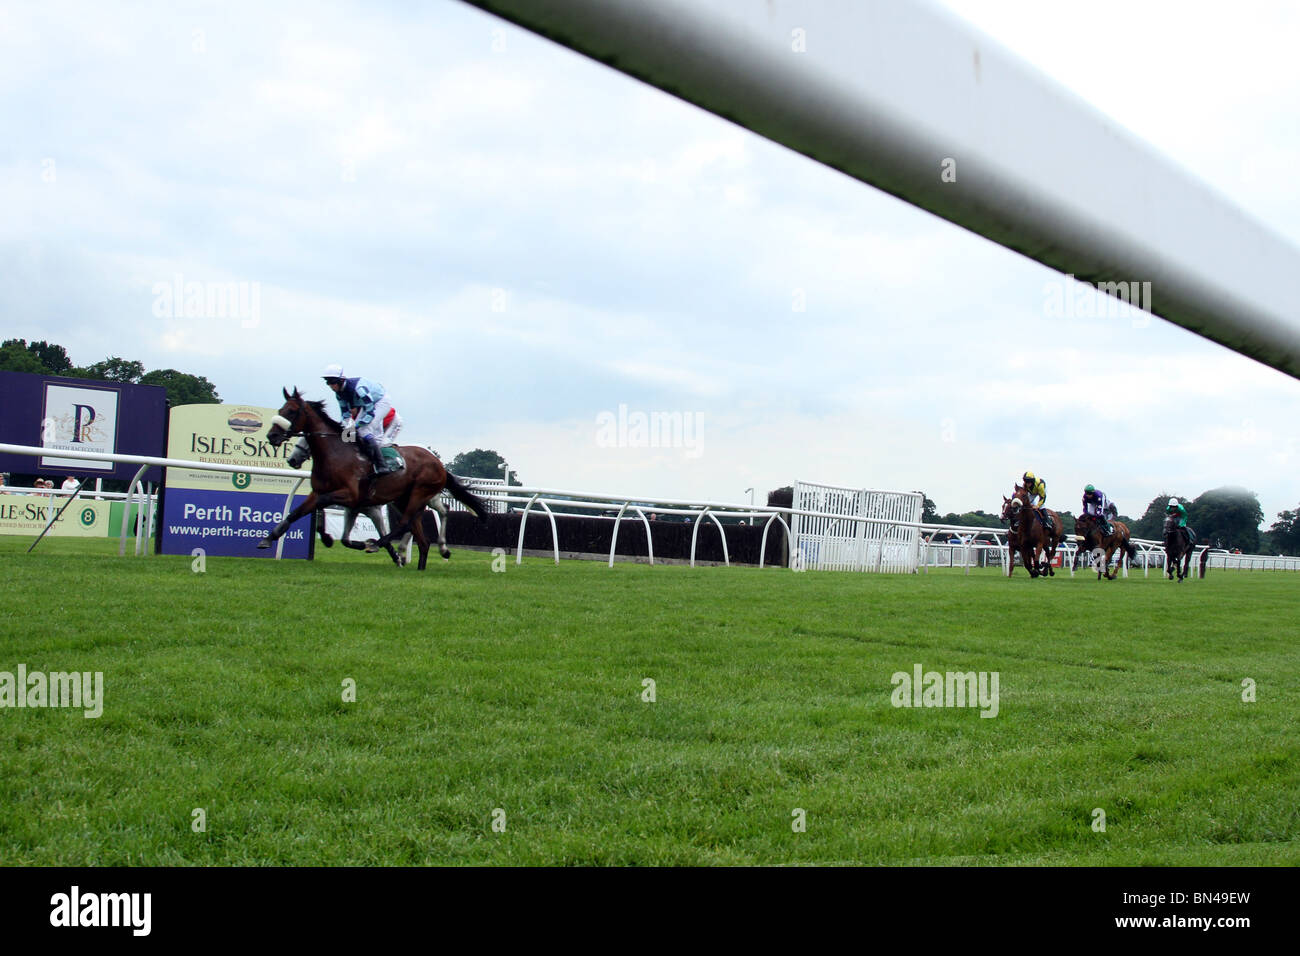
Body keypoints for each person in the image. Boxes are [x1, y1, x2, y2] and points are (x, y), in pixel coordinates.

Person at [321, 363, 404, 481]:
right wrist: (345, 428)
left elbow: (370, 412)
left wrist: (356, 425)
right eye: (327, 382)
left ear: (340, 380)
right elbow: (345, 414)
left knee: (363, 430)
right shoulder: (339, 394)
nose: (330, 385)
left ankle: (382, 466)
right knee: (349, 433)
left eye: (332, 382)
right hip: (367, 404)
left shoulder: (358, 389)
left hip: (380, 402)